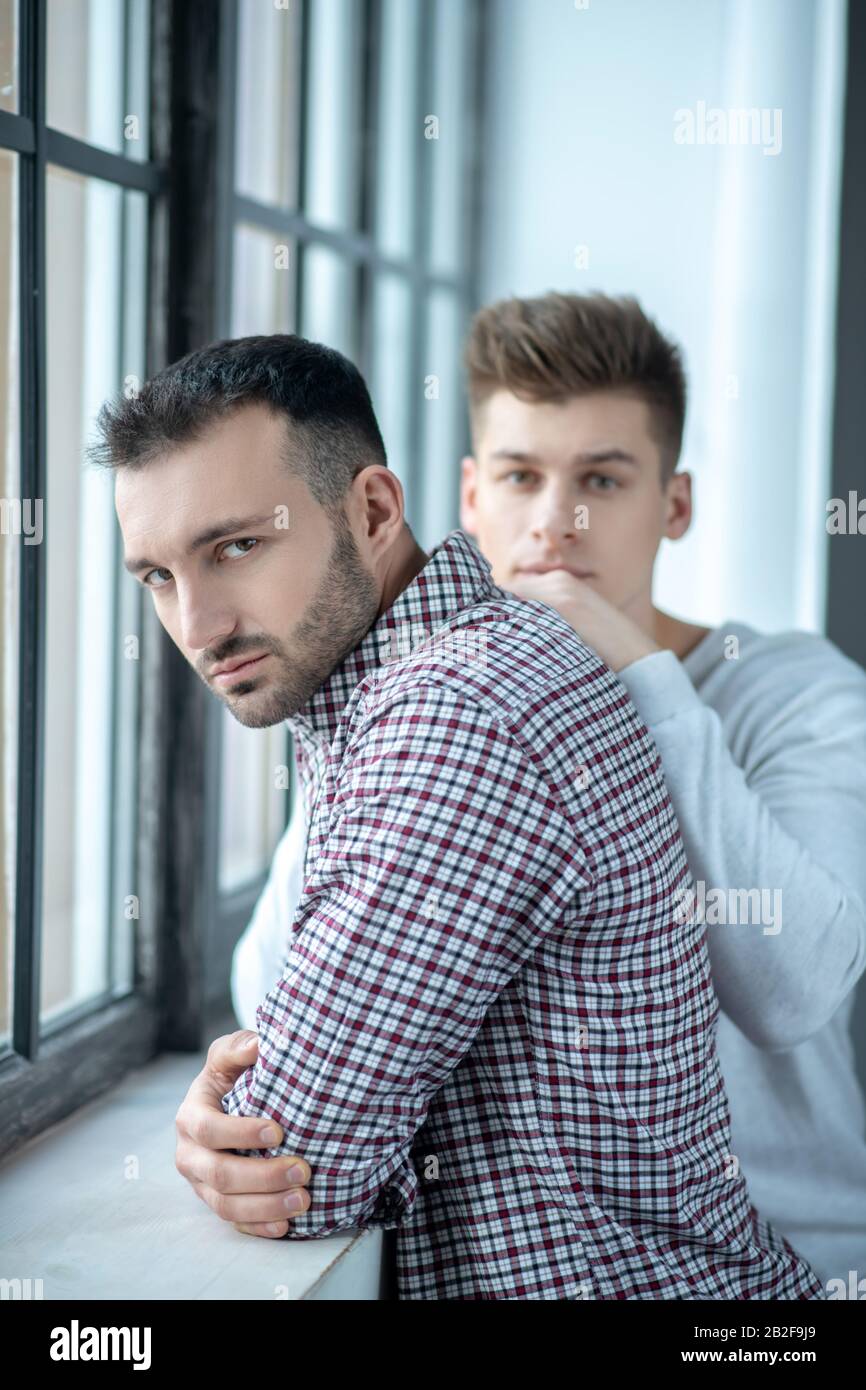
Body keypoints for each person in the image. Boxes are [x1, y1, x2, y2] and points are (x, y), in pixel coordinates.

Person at [94, 332, 823, 1300]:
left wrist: (237, 1124)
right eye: (157, 576)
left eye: (235, 546)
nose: (197, 625)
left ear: (372, 509)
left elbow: (300, 1170)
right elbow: (295, 1029)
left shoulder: (454, 712)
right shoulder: (422, 675)